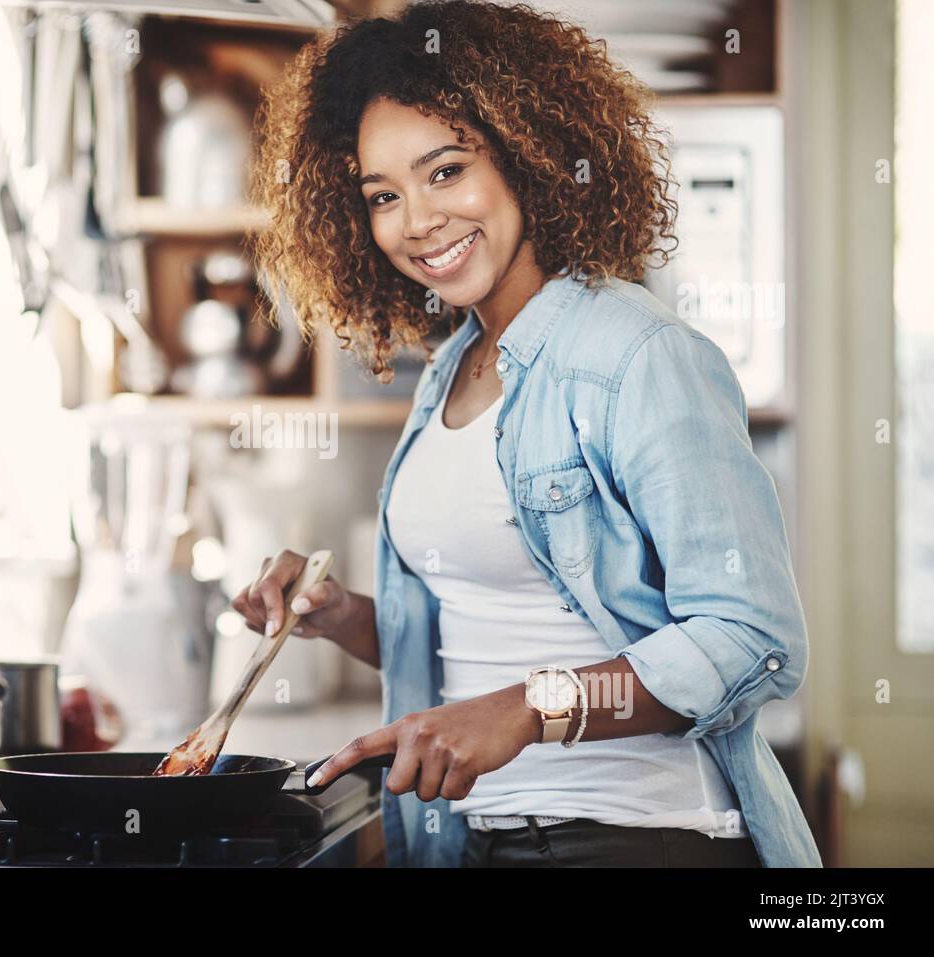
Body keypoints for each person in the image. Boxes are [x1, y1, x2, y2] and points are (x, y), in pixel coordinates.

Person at [236, 0, 821, 867]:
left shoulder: (639, 355)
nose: (417, 221)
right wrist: (341, 616)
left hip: (635, 838)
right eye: (383, 195)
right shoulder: (451, 369)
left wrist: (527, 707)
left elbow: (753, 640)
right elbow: (483, 629)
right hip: (472, 840)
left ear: (528, 151)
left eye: (446, 171)